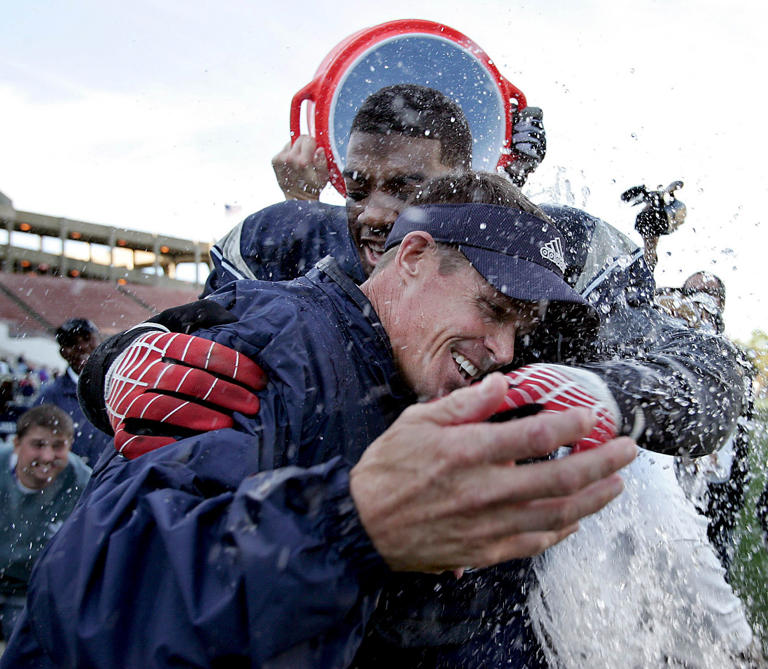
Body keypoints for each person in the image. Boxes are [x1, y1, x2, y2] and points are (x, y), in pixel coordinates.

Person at [1, 197, 638, 667]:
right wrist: (354, 524)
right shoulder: (278, 342)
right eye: (493, 308)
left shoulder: (403, 373)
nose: (503, 348)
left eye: (519, 331)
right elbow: (97, 608)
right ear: (413, 257)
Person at [84, 85, 747, 464]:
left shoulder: (548, 250)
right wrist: (116, 365)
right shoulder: (288, 252)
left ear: (470, 183)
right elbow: (181, 352)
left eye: (408, 188)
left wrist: (605, 393)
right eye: (359, 187)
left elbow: (706, 375)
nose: (375, 215)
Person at [657, 271, 753, 574]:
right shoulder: (672, 346)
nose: (696, 298)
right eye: (690, 292)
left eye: (705, 292)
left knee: (715, 557)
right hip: (680, 479)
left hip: (720, 485)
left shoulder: (731, 354)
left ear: (720, 302)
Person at [0, 405, 91, 640]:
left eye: (58, 446)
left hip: (33, 590)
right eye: (38, 445)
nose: (48, 457)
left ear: (70, 446)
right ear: (17, 443)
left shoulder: (83, 483)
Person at [34, 319, 113, 466]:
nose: (81, 347)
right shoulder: (49, 398)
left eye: (87, 339)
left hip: (116, 483)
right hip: (71, 482)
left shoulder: (123, 387)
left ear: (100, 341)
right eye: (71, 342)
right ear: (62, 352)